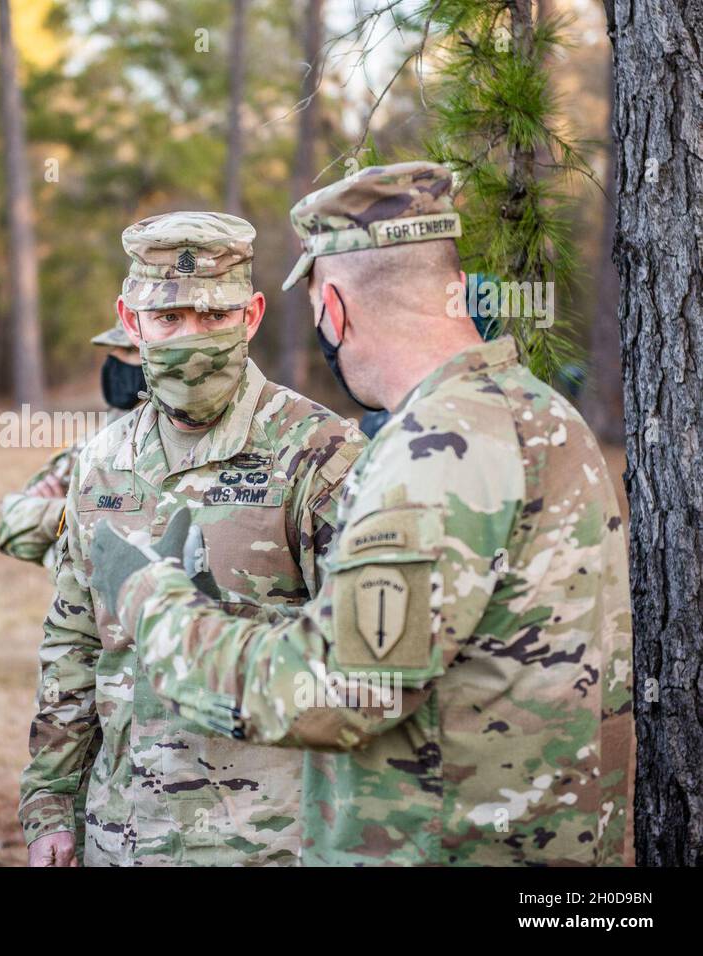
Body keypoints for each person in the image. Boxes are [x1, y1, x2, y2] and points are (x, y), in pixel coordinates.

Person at [97, 162, 634, 866]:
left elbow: (336, 694)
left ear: (335, 308)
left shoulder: (431, 451)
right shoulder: (548, 418)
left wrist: (153, 601)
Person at [18, 212, 367, 866]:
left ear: (254, 314)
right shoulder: (100, 463)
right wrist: (49, 805)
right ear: (130, 320)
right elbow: (74, 642)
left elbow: (362, 672)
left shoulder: (321, 455)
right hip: (124, 834)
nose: (191, 339)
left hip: (276, 840)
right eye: (169, 319)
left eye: (214, 317)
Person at [0, 323, 143, 574]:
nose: (115, 360)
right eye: (115, 350)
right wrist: (68, 516)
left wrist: (61, 523)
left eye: (130, 351)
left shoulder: (175, 442)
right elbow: (12, 529)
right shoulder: (97, 440)